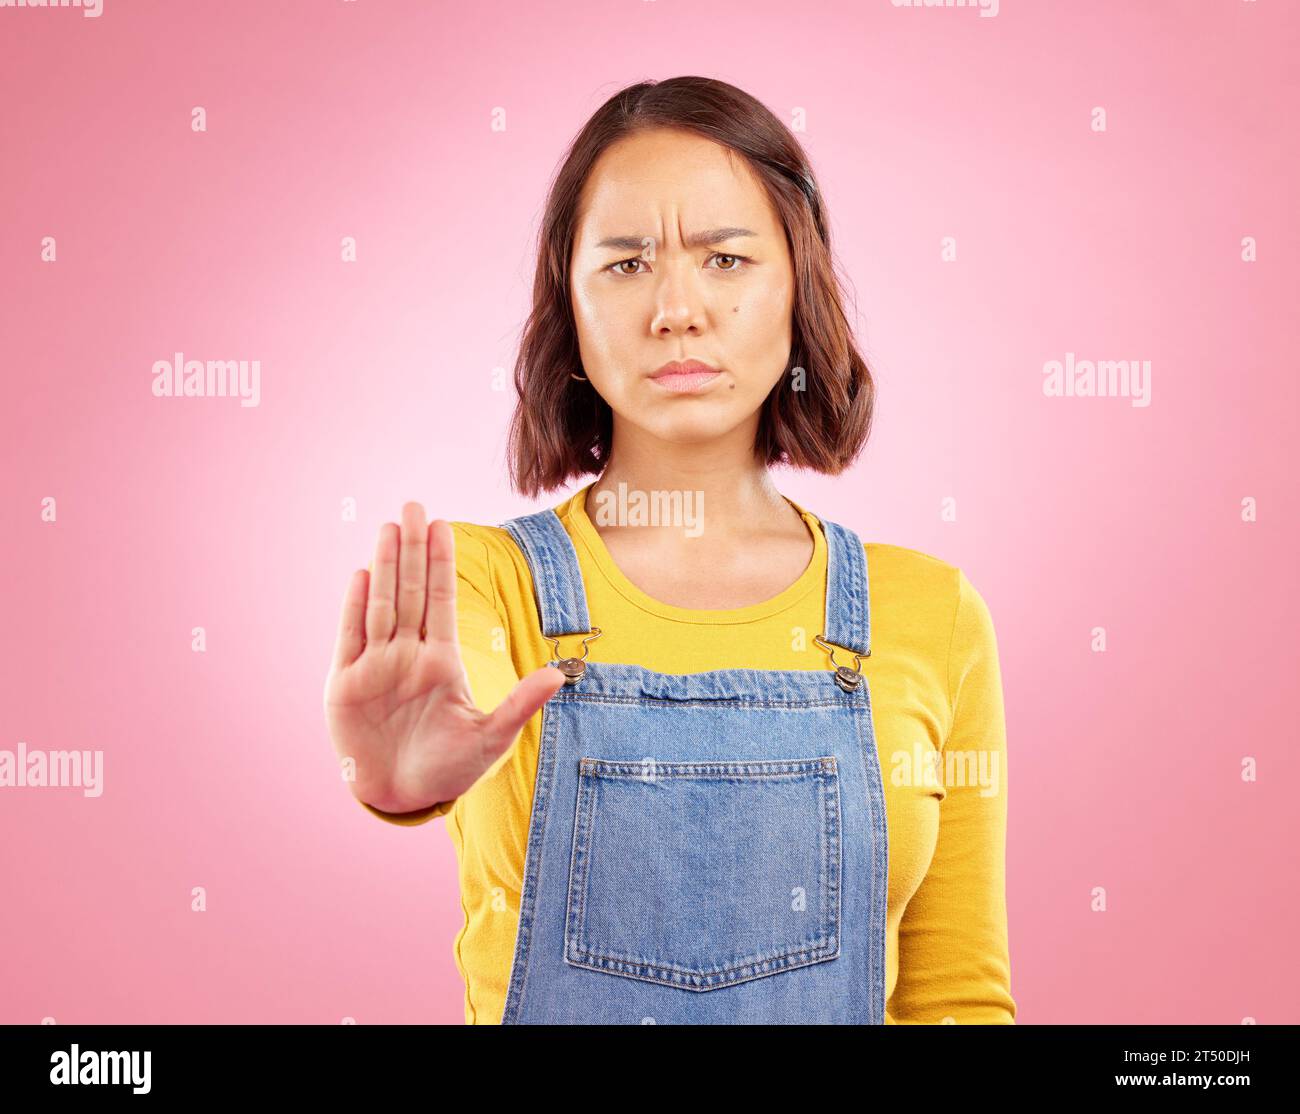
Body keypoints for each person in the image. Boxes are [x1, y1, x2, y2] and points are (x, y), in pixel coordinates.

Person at [323, 76, 1015, 1025]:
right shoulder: (480, 585)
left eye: (725, 260)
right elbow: (456, 701)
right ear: (570, 306)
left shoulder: (932, 614)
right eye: (626, 263)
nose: (677, 310)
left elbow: (956, 999)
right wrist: (400, 788)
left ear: (796, 285)